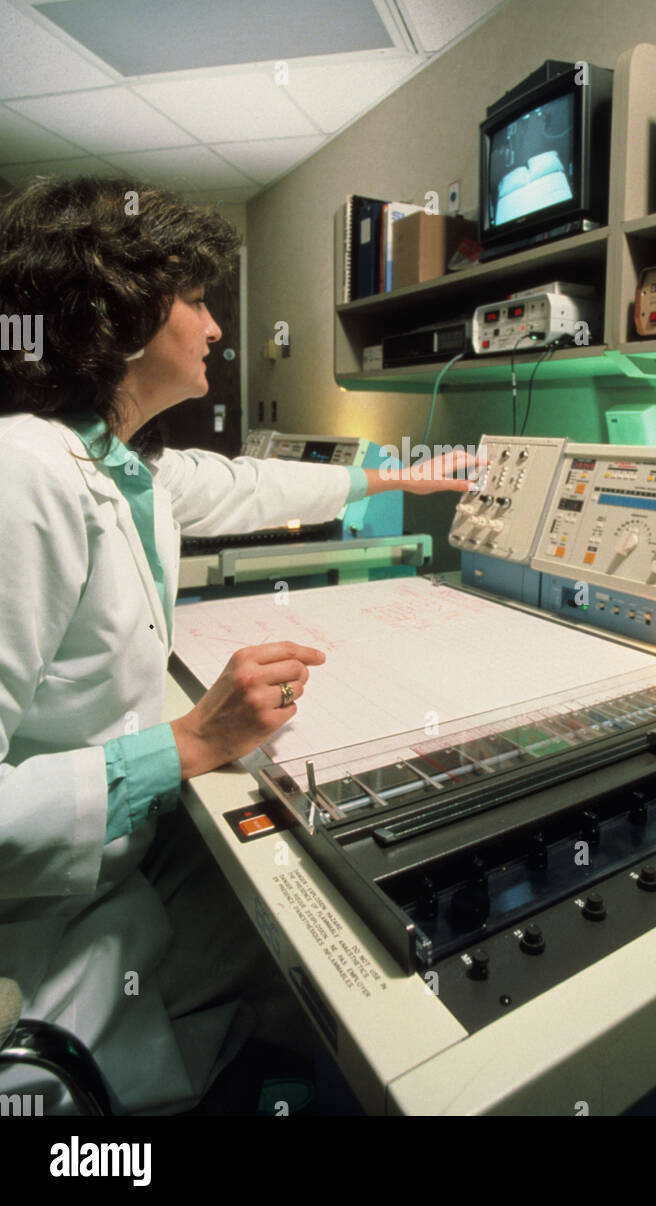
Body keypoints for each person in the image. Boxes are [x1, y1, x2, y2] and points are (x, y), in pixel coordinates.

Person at [0, 176, 471, 1114]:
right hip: (36, 920)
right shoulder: (23, 470)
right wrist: (186, 743)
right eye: (198, 299)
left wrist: (394, 478)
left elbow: (243, 486)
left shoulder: (118, 463)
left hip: (107, 873)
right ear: (124, 309)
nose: (217, 326)